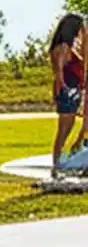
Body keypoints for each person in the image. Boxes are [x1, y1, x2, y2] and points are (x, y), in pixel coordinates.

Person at [49, 12, 87, 176]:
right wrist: (64, 88)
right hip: (68, 90)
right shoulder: (64, 47)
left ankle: (58, 161)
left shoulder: (64, 46)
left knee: (66, 128)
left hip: (70, 89)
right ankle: (57, 163)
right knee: (64, 129)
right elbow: (59, 70)